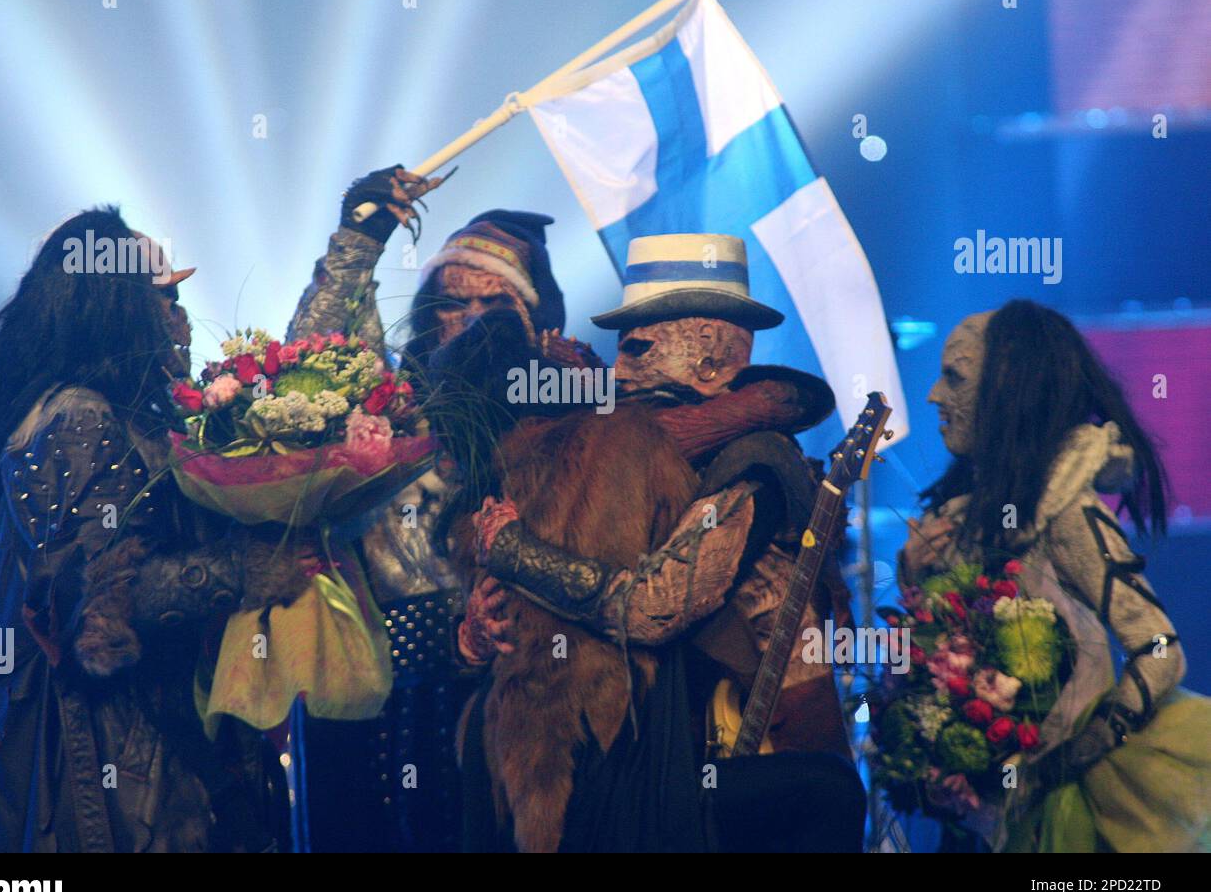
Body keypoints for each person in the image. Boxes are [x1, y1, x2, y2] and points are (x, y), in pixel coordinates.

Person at [0, 207, 325, 852]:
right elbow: (95, 608)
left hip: (68, 758)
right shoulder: (83, 420)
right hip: (116, 771)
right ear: (115, 307)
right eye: (165, 299)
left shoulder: (25, 419)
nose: (181, 319)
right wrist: (251, 566)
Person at [453, 233, 867, 852]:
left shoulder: (752, 465)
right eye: (621, 348)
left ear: (710, 362)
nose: (619, 368)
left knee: (827, 792)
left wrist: (518, 553)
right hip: (588, 755)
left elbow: (652, 607)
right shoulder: (591, 452)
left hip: (702, 744)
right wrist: (477, 633)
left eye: (641, 346)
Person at [287, 170, 573, 851]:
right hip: (370, 684)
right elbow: (310, 360)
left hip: (509, 695)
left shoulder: (559, 409)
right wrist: (362, 234)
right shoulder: (387, 403)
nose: (471, 320)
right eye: (452, 301)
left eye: (495, 304)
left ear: (531, 318)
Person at [899, 301, 1211, 852]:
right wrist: (912, 573)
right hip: (984, 808)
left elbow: (1161, 648)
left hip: (1066, 806)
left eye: (954, 378)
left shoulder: (1066, 511)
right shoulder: (961, 515)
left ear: (1008, 389)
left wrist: (1071, 758)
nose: (933, 396)